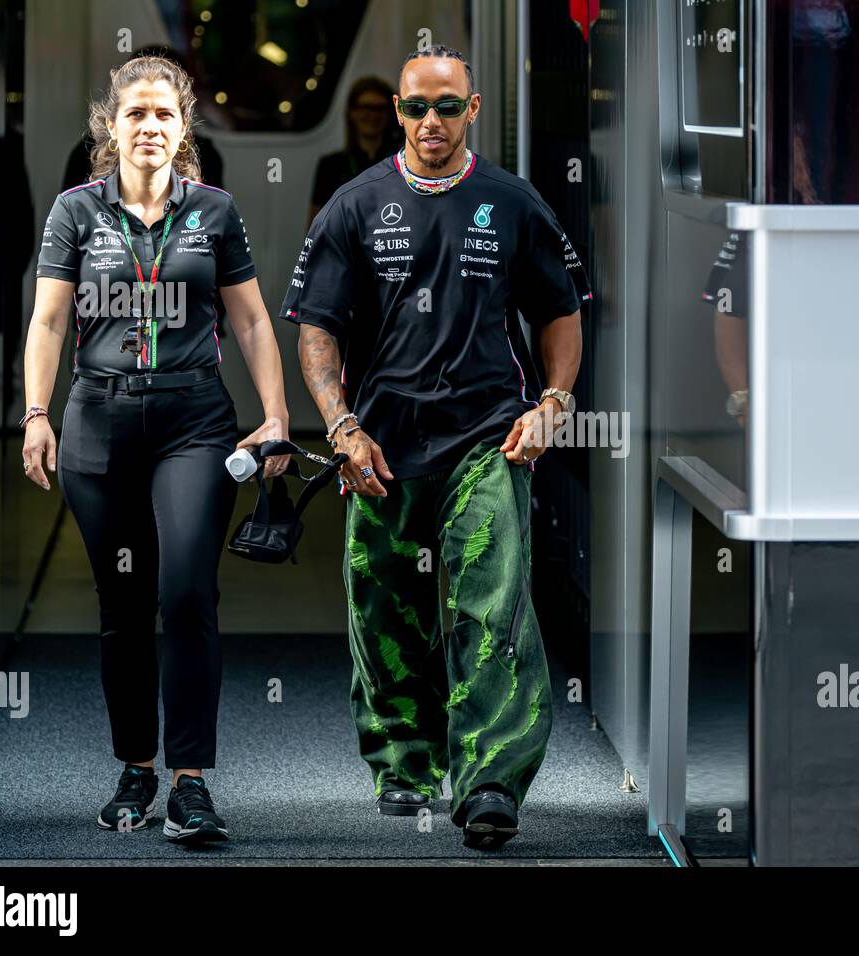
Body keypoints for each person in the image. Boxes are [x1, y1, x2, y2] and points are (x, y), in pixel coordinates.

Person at [281, 45, 590, 849]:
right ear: (399, 113)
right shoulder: (354, 205)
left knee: (491, 603)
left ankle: (489, 780)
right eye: (417, 107)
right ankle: (405, 764)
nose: (431, 121)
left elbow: (562, 313)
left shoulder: (512, 203)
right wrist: (341, 427)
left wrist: (554, 401)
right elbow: (317, 327)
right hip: (380, 446)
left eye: (448, 107)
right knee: (384, 605)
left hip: (488, 438)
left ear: (473, 110)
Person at [20, 54, 291, 843]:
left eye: (164, 115)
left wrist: (275, 416)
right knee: (124, 609)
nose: (149, 127)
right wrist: (37, 413)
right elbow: (47, 323)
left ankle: (191, 782)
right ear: (112, 124)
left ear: (183, 127)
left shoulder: (214, 211)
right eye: (135, 113)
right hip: (97, 427)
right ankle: (136, 767)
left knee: (185, 594)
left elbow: (249, 322)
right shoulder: (77, 211)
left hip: (193, 423)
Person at [308, 75, 403, 225]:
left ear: (389, 115)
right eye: (365, 107)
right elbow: (315, 228)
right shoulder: (331, 165)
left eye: (379, 108)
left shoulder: (403, 163)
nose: (372, 115)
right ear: (351, 113)